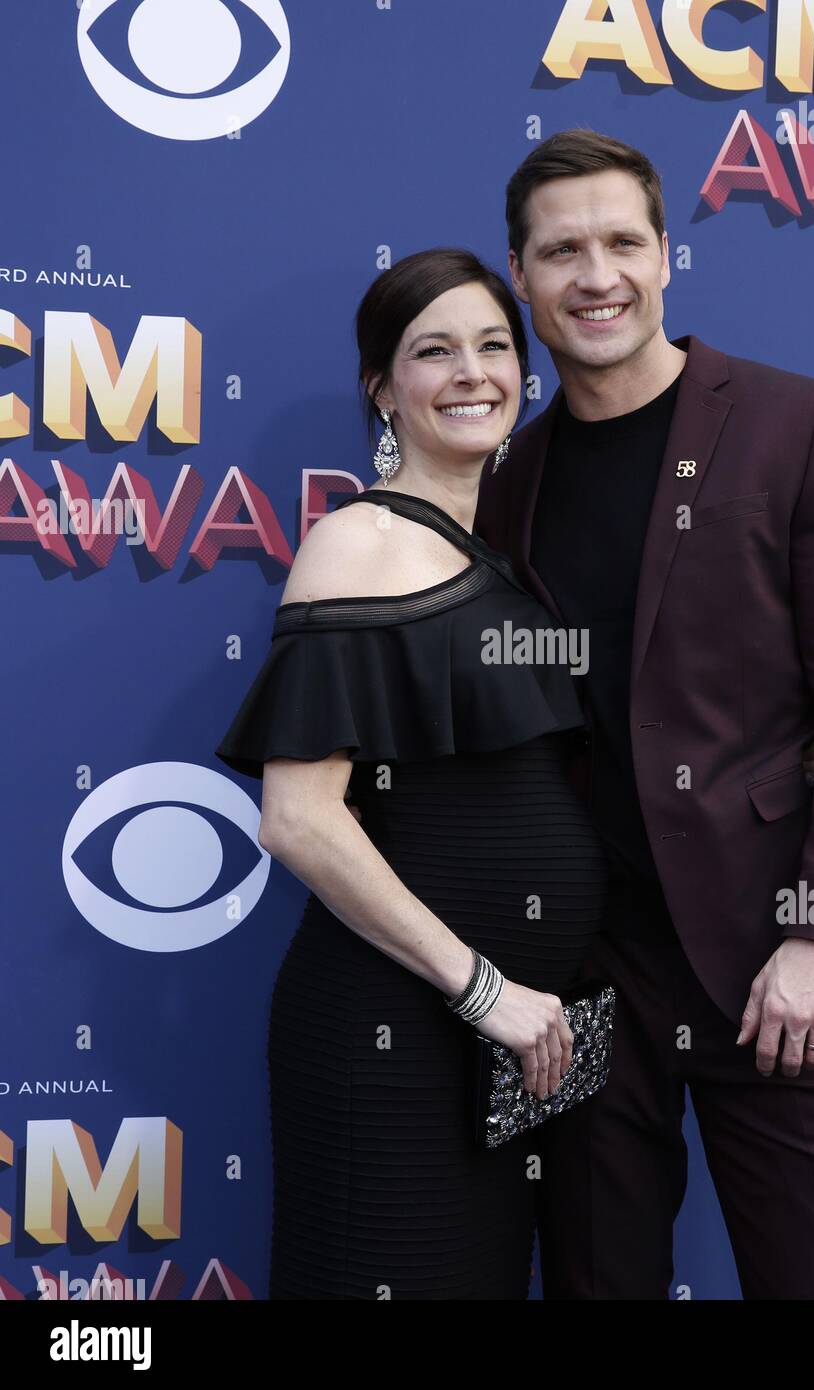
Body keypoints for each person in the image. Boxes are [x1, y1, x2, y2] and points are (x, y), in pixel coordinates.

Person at [475, 127, 814, 1299]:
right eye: (560, 251)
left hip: (776, 960)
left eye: (622, 240)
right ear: (519, 276)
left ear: (668, 255)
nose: (596, 275)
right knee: (590, 1281)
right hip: (582, 975)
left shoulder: (799, 422)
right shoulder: (508, 478)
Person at [214, 249, 609, 1300]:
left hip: (506, 1054)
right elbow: (298, 820)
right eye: (434, 351)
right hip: (392, 1037)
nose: (472, 371)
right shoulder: (358, 543)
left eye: (493, 345)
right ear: (382, 389)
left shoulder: (504, 555)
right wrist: (486, 991)